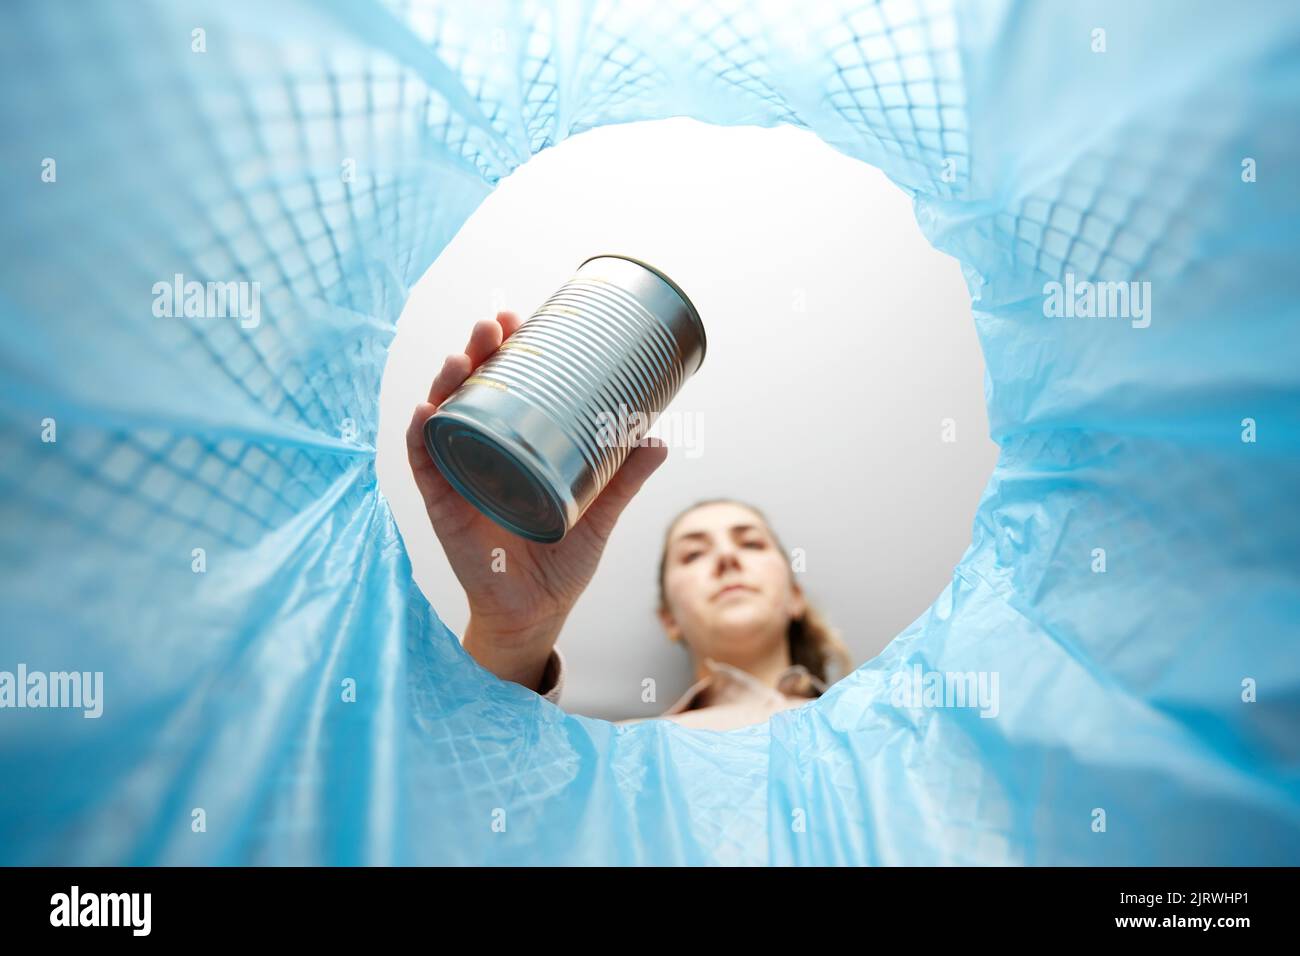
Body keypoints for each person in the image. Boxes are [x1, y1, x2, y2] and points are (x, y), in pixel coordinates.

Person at [405, 312, 852, 731]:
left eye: (751, 544)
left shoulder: (884, 726)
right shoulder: (617, 757)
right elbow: (462, 796)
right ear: (669, 619)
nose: (726, 559)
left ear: (796, 597)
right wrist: (511, 627)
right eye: (694, 553)